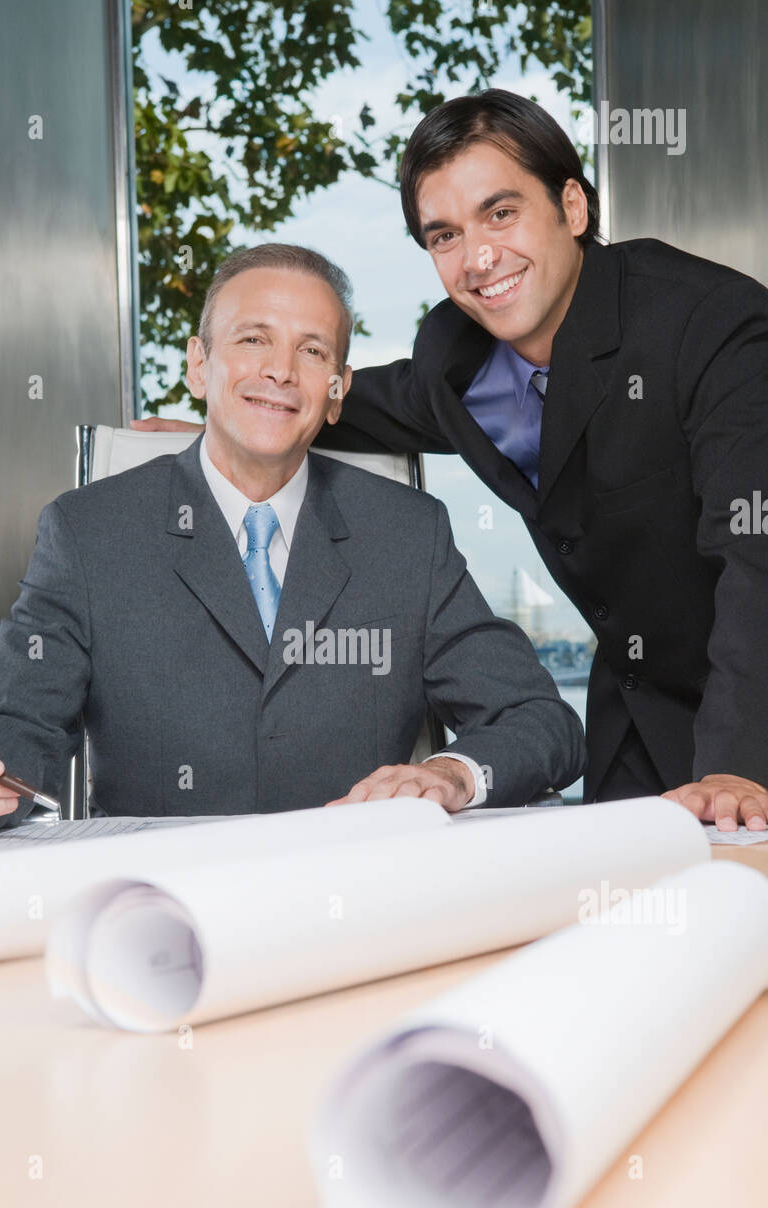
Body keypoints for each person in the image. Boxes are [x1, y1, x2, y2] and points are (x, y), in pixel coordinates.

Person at [139, 90, 768, 832]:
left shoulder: (712, 324)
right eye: (443, 235)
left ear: (572, 207)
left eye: (500, 213)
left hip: (749, 711)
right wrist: (241, 409)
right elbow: (369, 399)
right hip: (636, 714)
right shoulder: (454, 360)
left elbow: (754, 554)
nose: (477, 258)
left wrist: (736, 761)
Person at [0, 243, 584, 843]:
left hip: (357, 902)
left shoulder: (409, 532)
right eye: (253, 340)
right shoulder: (87, 531)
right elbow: (8, 724)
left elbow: (541, 721)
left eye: (312, 350)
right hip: (157, 908)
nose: (281, 371)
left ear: (337, 392)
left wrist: (451, 773)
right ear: (199, 367)